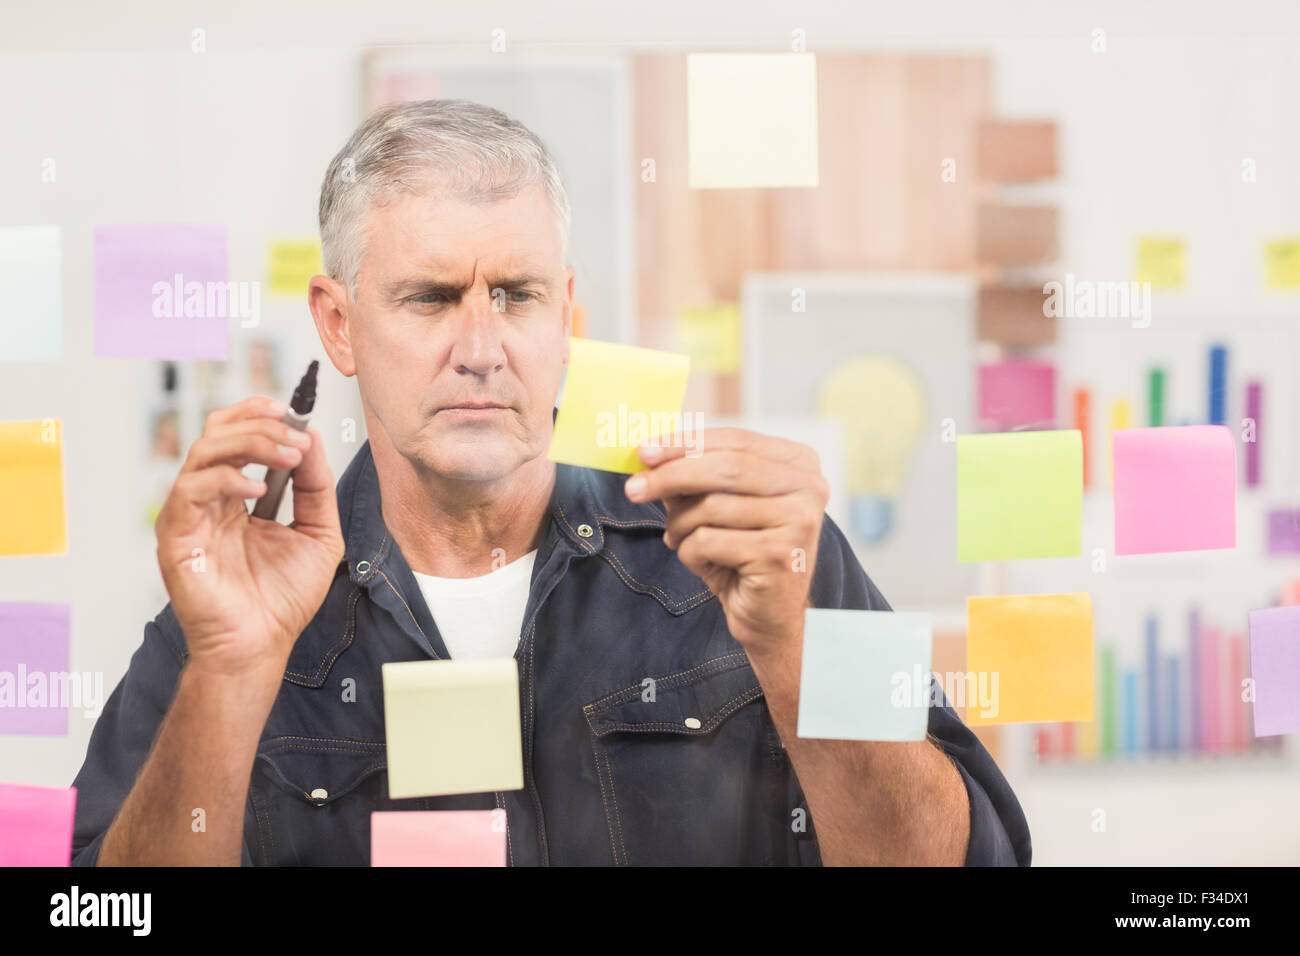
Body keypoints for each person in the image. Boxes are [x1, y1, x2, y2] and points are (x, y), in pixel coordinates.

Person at [70, 99, 1030, 866]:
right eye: (431, 298)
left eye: (517, 296)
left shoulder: (762, 552)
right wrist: (230, 676)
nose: (482, 350)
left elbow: (974, 860)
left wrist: (799, 651)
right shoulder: (236, 612)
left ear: (566, 316)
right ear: (338, 324)